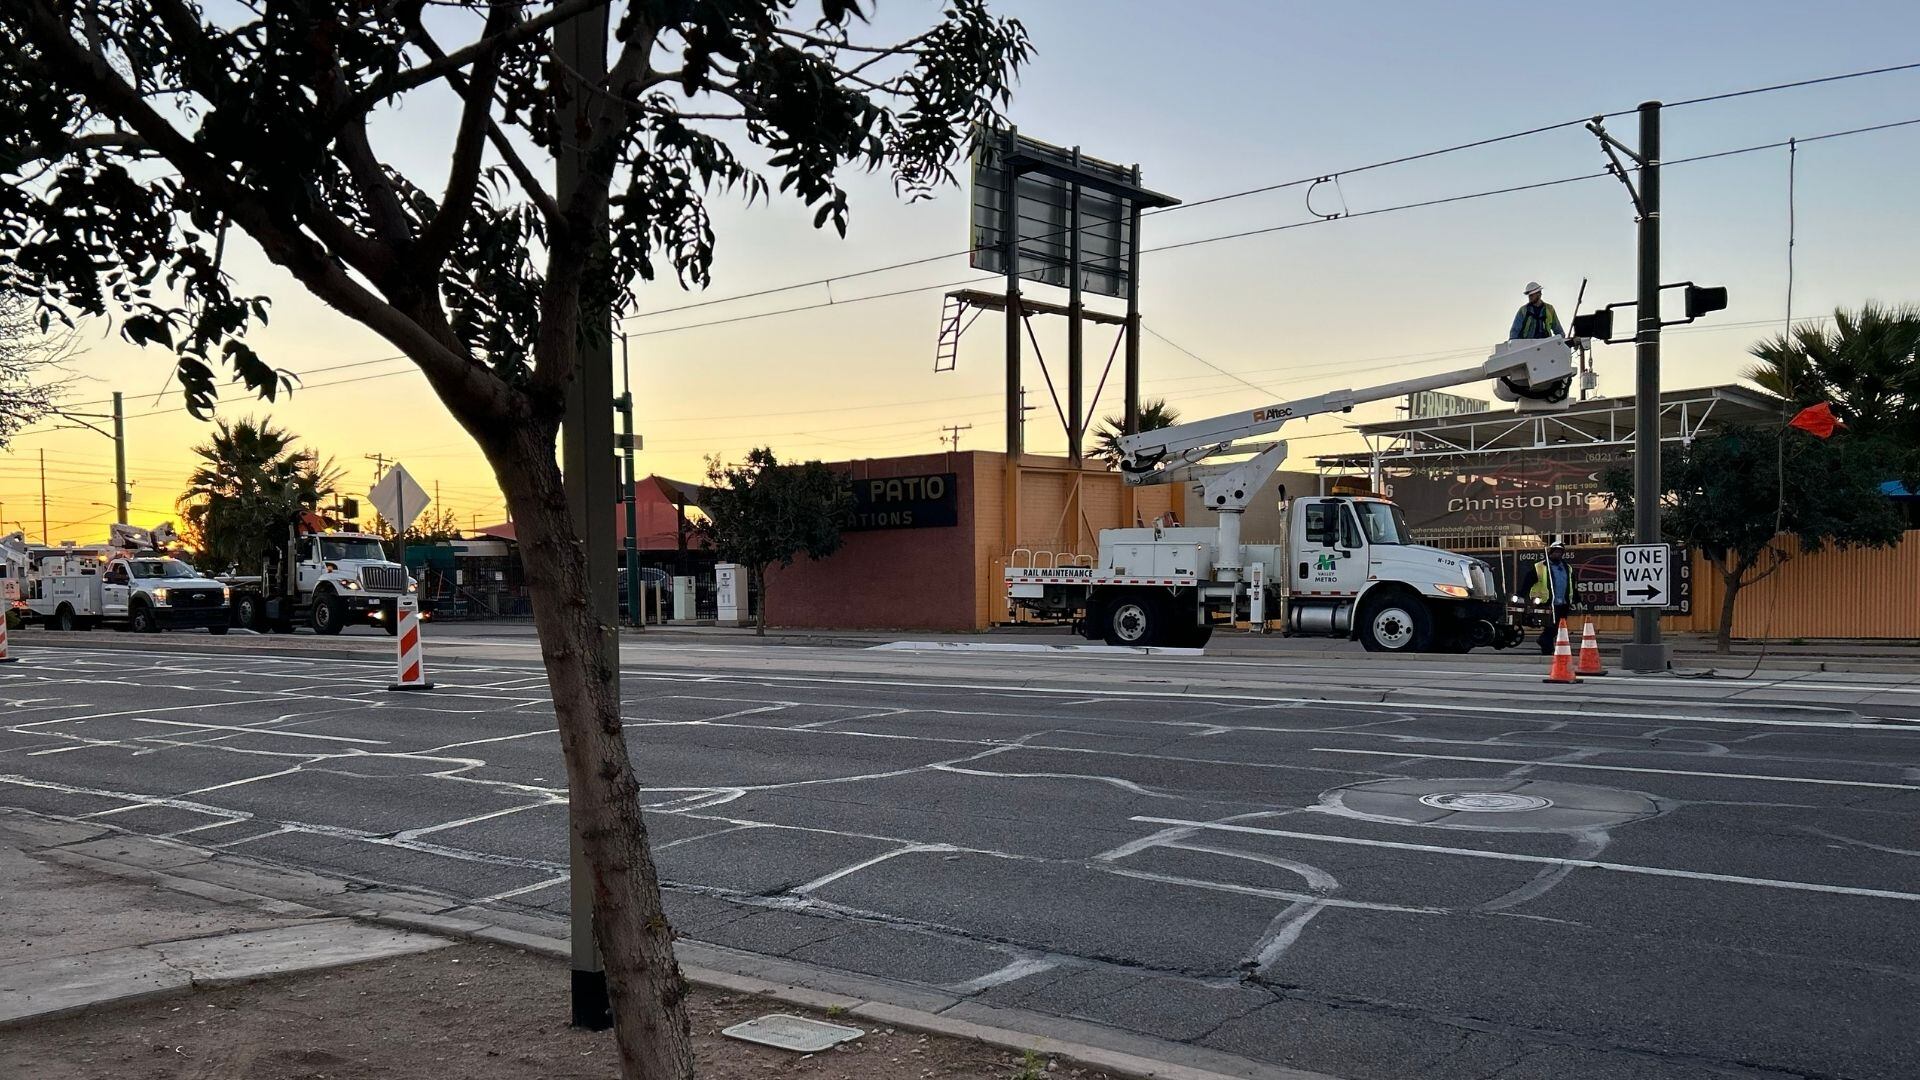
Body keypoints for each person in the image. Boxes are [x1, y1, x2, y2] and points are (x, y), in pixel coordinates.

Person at [1530, 540, 1574, 654]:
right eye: (1556, 552)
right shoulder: (1541, 566)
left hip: (1563, 602)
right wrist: (1521, 594)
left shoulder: (1567, 567)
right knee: (1552, 625)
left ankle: (1546, 645)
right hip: (1548, 602)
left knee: (1559, 626)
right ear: (1550, 552)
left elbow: (1571, 584)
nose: (1558, 554)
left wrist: (1577, 599)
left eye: (1560, 552)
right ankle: (1545, 643)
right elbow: (1528, 581)